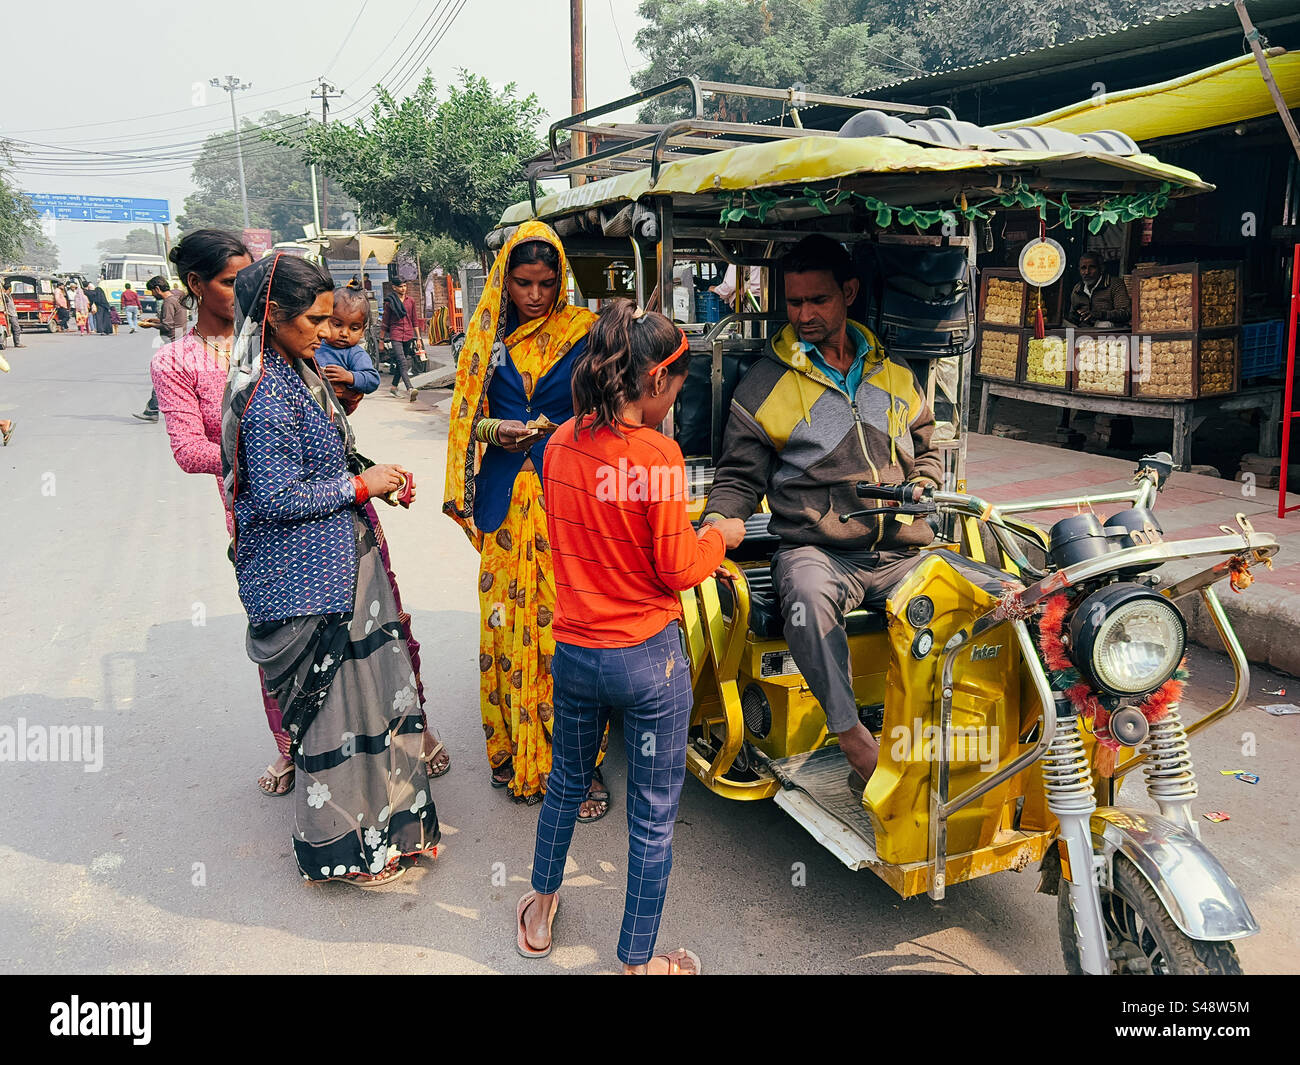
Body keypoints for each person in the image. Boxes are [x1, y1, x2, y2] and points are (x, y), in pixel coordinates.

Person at [702, 235, 1010, 787]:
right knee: (806, 599)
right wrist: (719, 519)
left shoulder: (894, 371)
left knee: (1009, 596)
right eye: (794, 304)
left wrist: (925, 479)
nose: (804, 315)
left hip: (904, 550)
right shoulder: (764, 383)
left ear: (848, 293)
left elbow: (928, 440)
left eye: (817, 300)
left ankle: (988, 727)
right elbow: (738, 477)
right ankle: (852, 738)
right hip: (817, 550)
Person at [517, 301, 745, 972]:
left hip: (577, 653)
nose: (675, 399)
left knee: (565, 782)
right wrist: (718, 536)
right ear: (656, 383)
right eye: (676, 386)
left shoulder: (558, 442)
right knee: (650, 816)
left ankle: (538, 907)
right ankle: (638, 963)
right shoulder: (658, 454)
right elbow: (677, 568)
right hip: (648, 662)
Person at [221, 253, 440, 885]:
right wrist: (359, 487)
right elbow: (275, 498)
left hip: (343, 565)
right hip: (306, 580)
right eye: (314, 319)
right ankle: (345, 848)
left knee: (374, 705)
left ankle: (392, 831)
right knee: (339, 717)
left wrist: (377, 477)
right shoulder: (265, 393)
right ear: (273, 315)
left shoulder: (302, 370)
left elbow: (328, 457)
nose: (326, 330)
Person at [443, 220, 613, 818]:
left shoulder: (587, 334)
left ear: (561, 277)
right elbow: (467, 419)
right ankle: (513, 749)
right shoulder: (487, 339)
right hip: (505, 498)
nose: (535, 295)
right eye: (522, 283)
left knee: (566, 629)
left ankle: (577, 765)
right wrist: (501, 431)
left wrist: (564, 433)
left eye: (546, 282)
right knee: (507, 624)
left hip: (568, 493)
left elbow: (607, 412)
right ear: (504, 282)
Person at [316, 283, 450, 777]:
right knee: (328, 637)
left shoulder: (347, 357)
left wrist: (374, 482)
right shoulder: (284, 369)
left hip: (350, 500)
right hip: (316, 517)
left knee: (384, 621)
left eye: (353, 328)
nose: (341, 333)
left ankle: (411, 726)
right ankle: (317, 744)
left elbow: (362, 394)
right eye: (334, 324)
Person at [133, 276, 188, 422]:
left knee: (163, 378)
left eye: (152, 291)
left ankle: (152, 410)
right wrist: (154, 320)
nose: (152, 294)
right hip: (179, 341)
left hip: (172, 342)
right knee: (167, 377)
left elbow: (168, 325)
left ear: (157, 289)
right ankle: (153, 409)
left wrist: (150, 325)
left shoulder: (168, 302)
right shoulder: (176, 298)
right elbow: (171, 321)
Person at [382, 280, 423, 401]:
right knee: (402, 362)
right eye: (400, 287)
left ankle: (393, 388)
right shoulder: (390, 302)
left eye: (405, 286)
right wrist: (381, 339)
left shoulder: (411, 301)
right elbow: (385, 321)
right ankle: (410, 388)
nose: (403, 289)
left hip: (409, 334)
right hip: (396, 334)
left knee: (402, 363)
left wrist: (418, 338)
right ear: (394, 288)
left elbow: (414, 320)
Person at [1067, 252, 1131, 328]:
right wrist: (1076, 316)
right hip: (1083, 330)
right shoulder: (1077, 289)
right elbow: (1072, 316)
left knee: (1104, 324)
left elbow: (1126, 313)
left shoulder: (1114, 284)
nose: (1087, 272)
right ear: (1079, 270)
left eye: (1092, 267)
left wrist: (1100, 315)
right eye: (1083, 268)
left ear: (1101, 269)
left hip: (1110, 332)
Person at [2, 282, 23, 348]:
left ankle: (17, 343)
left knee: (15, 329)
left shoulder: (9, 295)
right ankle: (17, 343)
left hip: (14, 314)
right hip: (11, 315)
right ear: (9, 288)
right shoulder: (5, 296)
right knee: (17, 329)